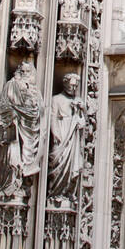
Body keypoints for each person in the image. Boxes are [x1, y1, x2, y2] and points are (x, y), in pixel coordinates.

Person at [0, 58, 44, 201]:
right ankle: (10, 186)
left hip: (29, 129)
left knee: (24, 157)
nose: (24, 73)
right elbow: (4, 105)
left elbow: (40, 113)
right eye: (21, 70)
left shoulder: (35, 91)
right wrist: (13, 115)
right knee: (12, 158)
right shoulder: (11, 85)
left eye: (27, 71)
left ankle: (22, 185)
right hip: (14, 129)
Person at [46, 73, 85, 206]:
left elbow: (82, 123)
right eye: (71, 84)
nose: (73, 88)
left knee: (72, 166)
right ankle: (55, 193)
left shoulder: (78, 101)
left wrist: (80, 111)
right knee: (58, 162)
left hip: (72, 138)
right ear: (65, 83)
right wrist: (56, 134)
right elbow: (52, 117)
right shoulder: (56, 99)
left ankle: (67, 193)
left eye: (75, 86)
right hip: (61, 136)